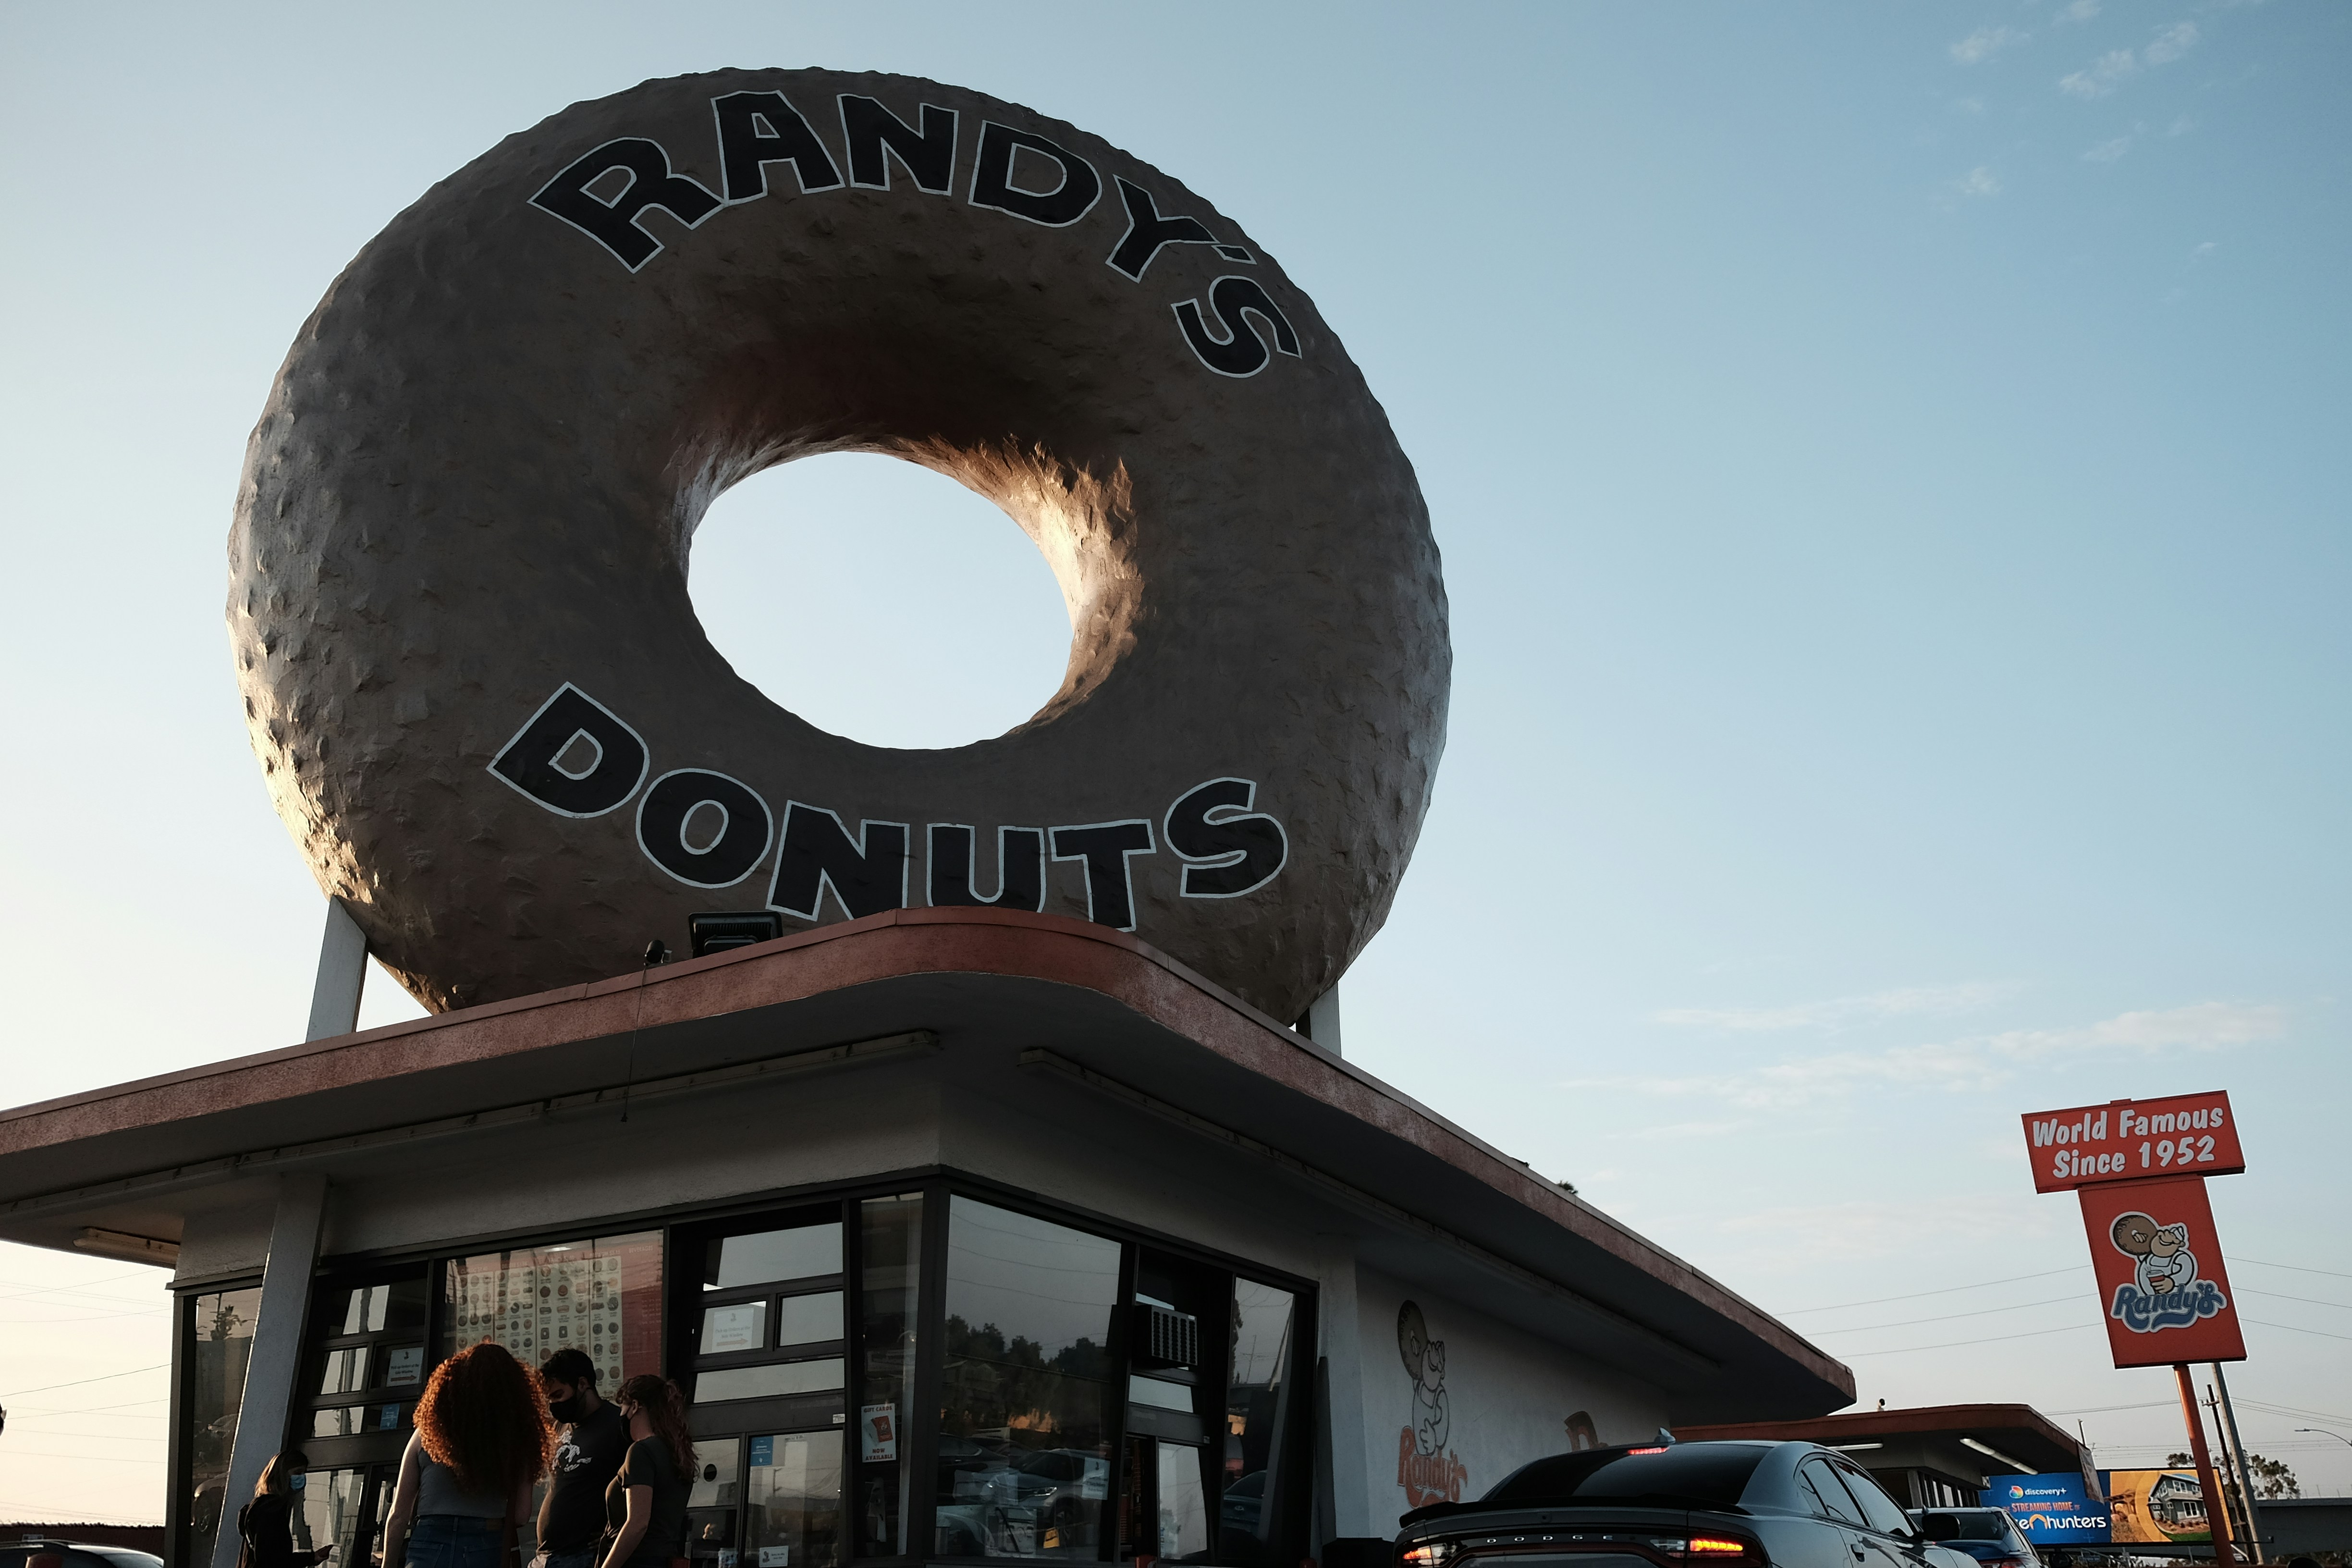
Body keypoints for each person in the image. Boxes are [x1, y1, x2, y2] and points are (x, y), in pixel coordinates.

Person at [384, 1342, 557, 1568]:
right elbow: (521, 1516)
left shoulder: (427, 1433)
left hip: (430, 1538)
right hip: (486, 1541)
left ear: (453, 1383)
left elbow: (399, 1514)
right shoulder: (517, 1439)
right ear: (514, 1392)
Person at [534, 1349, 628, 1568]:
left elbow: (641, 1484)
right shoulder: (561, 1426)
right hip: (545, 1556)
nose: (554, 1405)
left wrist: (617, 1531)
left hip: (582, 1557)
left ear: (583, 1384)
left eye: (558, 1395)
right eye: (549, 1399)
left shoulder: (618, 1426)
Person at [598, 1375, 694, 1568]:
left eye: (623, 1407)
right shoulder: (677, 1454)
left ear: (635, 1406)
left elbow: (637, 1523)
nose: (621, 1415)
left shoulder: (641, 1451)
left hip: (638, 1560)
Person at [237, 1450, 336, 1568]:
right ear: (282, 1475)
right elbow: (271, 1560)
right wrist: (310, 1559)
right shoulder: (271, 1509)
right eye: (297, 1473)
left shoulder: (263, 1507)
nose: (302, 1478)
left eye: (304, 1473)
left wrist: (312, 1558)